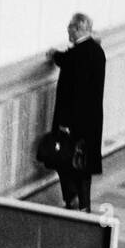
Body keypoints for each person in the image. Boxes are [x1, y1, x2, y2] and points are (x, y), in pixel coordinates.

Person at [47, 13, 106, 213]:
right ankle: (84, 205)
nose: (67, 31)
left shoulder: (77, 54)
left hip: (73, 122)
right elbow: (67, 59)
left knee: (64, 159)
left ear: (77, 29)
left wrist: (65, 123)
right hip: (92, 122)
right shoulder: (97, 51)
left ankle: (71, 198)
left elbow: (66, 62)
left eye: (69, 27)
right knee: (83, 166)